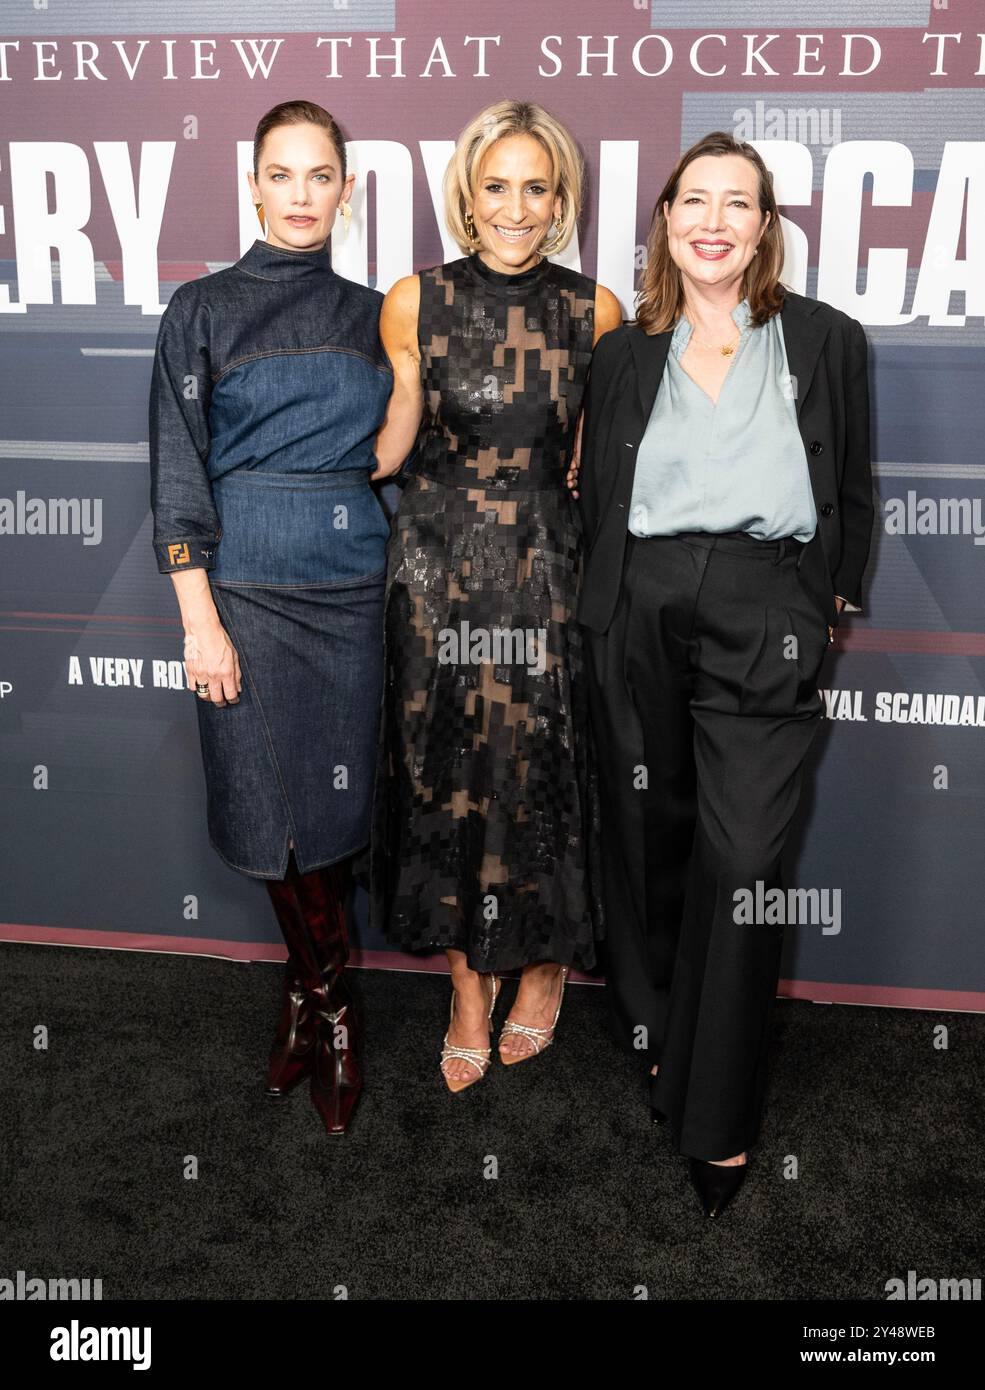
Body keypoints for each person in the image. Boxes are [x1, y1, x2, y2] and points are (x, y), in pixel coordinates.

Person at [576, 132, 873, 1214]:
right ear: (663, 218)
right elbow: (588, 494)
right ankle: (663, 1037)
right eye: (692, 200)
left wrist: (822, 598)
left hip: (767, 605)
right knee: (650, 839)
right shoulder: (622, 354)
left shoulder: (825, 340)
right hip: (638, 605)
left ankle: (719, 1114)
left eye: (735, 204)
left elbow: (852, 485)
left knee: (742, 858)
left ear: (763, 227)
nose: (712, 220)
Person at [148, 100, 393, 1135]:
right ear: (252, 186)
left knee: (332, 823)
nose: (300, 195)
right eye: (281, 175)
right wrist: (199, 620)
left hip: (352, 592)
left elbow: (403, 450)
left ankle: (307, 1000)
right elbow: (176, 475)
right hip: (241, 594)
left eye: (320, 175)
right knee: (268, 814)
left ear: (348, 189)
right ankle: (335, 1008)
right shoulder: (199, 311)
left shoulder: (380, 313)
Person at [367, 100, 622, 1090]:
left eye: (536, 187)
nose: (515, 208)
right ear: (465, 197)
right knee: (449, 785)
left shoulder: (592, 309)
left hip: (546, 578)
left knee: (542, 781)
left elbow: (595, 467)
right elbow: (394, 435)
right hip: (436, 583)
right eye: (496, 187)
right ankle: (469, 988)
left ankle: (546, 967)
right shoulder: (413, 300)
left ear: (559, 198)